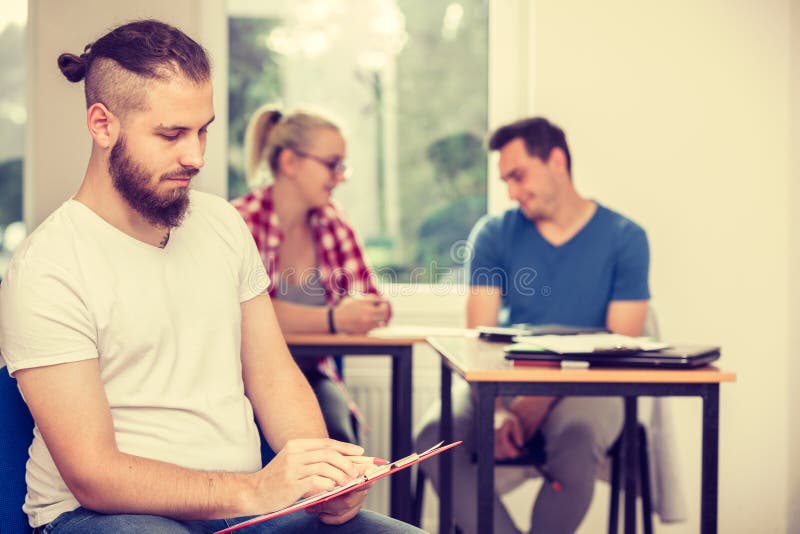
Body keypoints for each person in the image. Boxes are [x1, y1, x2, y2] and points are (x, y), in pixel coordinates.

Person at [0, 19, 421, 534]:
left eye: (203, 130)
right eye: (171, 134)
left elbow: (272, 374)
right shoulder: (47, 269)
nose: (196, 156)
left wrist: (319, 476)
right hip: (104, 515)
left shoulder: (221, 223)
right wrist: (253, 490)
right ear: (102, 124)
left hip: (243, 508)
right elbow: (94, 474)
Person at [415, 117, 650, 533]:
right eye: (505, 179)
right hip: (502, 379)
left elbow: (620, 349)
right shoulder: (493, 234)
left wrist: (542, 395)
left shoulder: (625, 237)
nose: (511, 191)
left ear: (556, 161)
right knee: (434, 437)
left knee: (577, 442)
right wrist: (499, 410)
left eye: (519, 175)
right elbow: (477, 341)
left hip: (588, 387)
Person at [231, 107, 391, 444]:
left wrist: (369, 310)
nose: (340, 176)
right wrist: (335, 318)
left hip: (314, 373)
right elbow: (244, 315)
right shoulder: (239, 222)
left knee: (341, 451)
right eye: (332, 164)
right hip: (243, 379)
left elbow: (371, 298)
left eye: (341, 166)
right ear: (290, 163)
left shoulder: (333, 221)